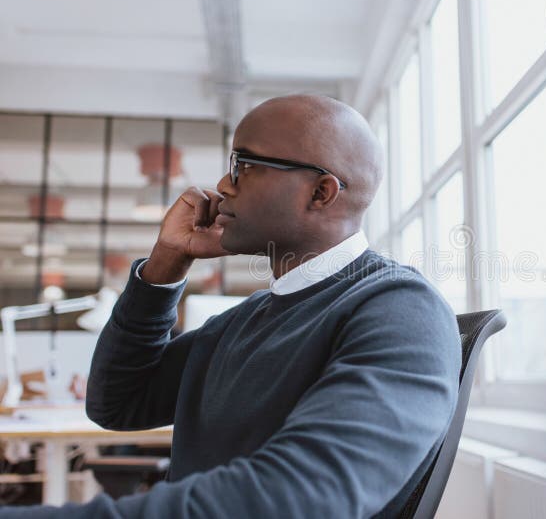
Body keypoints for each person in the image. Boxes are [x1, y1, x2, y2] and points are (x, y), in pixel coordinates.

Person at [4, 95, 460, 518]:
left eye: (244, 165)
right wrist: (165, 263)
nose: (223, 185)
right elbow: (118, 403)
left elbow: (302, 496)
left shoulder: (400, 309)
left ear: (321, 193)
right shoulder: (249, 318)